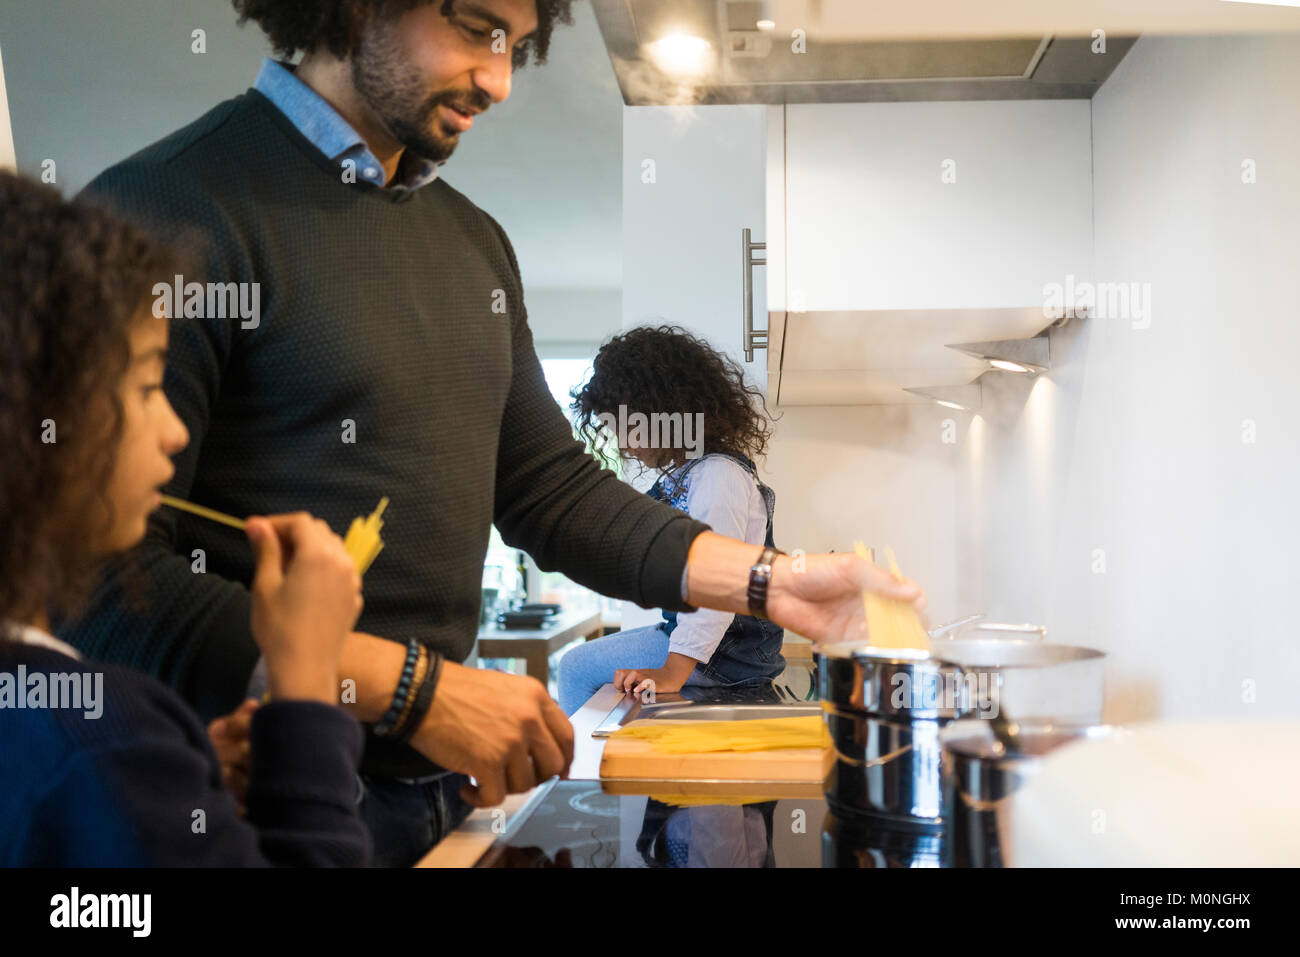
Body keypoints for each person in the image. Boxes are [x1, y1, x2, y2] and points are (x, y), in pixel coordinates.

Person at [60, 0, 925, 866]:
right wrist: (417, 692)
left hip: (432, 794)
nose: (501, 80)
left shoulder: (475, 245)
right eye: (476, 27)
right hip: (238, 805)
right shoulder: (167, 210)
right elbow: (94, 581)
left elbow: (548, 486)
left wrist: (778, 582)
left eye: (517, 43)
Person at [0, 171, 369, 866]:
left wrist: (182, 779)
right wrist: (308, 688)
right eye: (144, 386)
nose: (173, 431)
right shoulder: (95, 741)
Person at [558, 326, 785, 713]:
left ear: (664, 413)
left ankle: (580, 774)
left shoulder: (719, 477)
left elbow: (719, 587)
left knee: (575, 667)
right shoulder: (697, 473)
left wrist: (672, 672)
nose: (625, 445)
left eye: (628, 428)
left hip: (728, 657)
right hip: (718, 648)